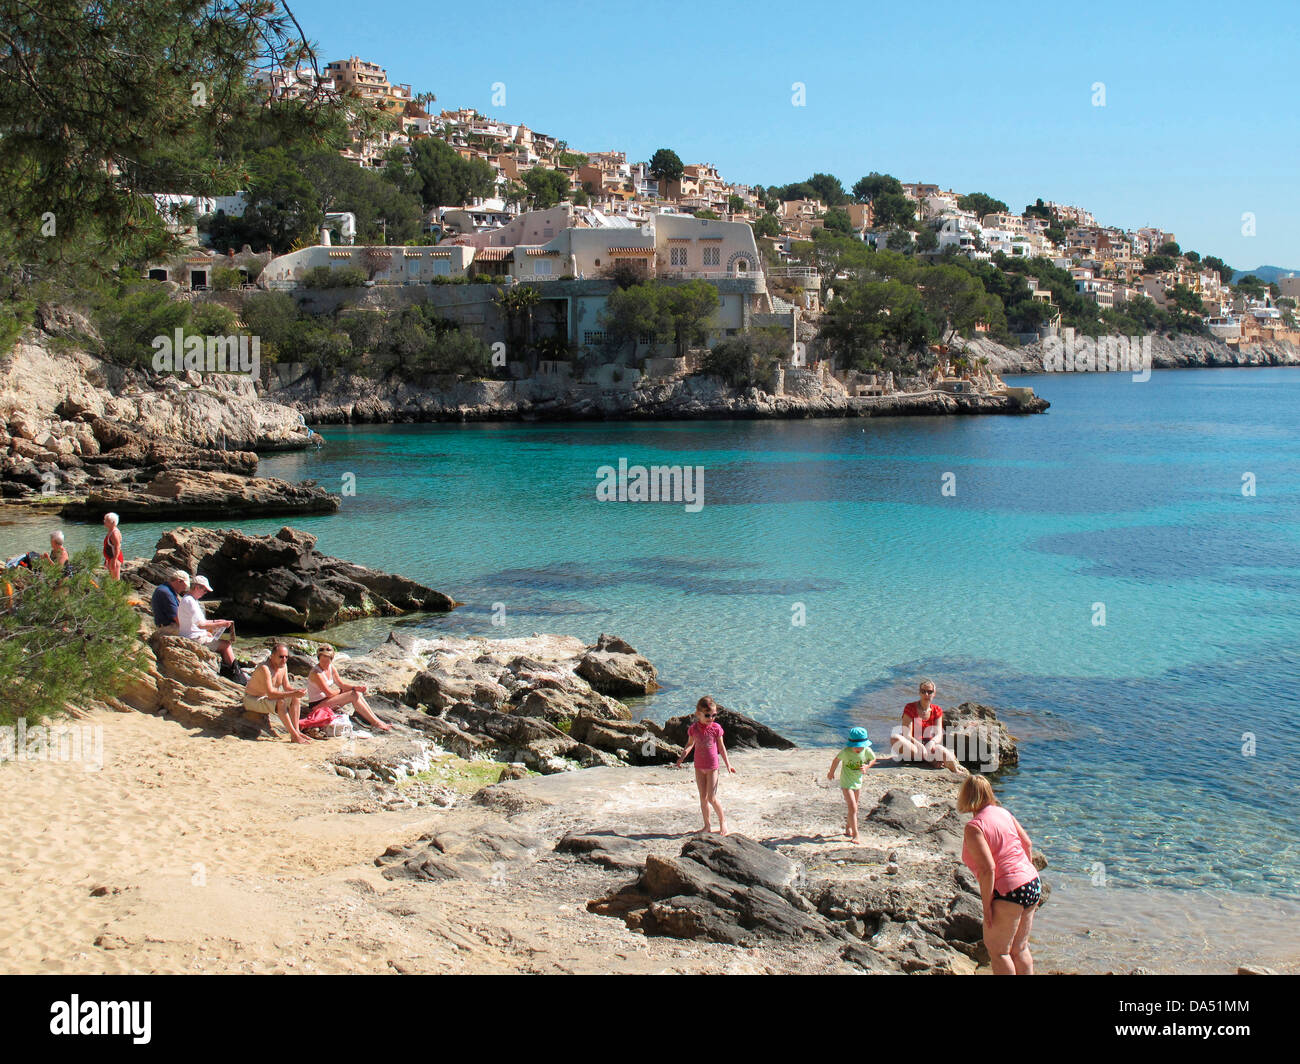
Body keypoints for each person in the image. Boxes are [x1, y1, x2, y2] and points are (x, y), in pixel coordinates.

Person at [959, 774, 1042, 975]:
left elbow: (988, 869)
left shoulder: (974, 827)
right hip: (1031, 881)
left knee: (999, 952)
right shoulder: (1003, 812)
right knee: (1020, 948)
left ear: (966, 796)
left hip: (1009, 890)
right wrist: (1023, 873)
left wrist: (987, 906)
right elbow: (1027, 844)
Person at [673, 696, 735, 835]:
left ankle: (722, 822)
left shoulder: (716, 728)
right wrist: (682, 757)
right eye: (707, 715)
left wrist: (728, 765)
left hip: (713, 767)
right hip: (699, 766)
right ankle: (707, 825)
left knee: (712, 798)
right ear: (698, 714)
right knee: (703, 797)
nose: (711, 718)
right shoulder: (693, 729)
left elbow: (721, 747)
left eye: (713, 715)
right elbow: (690, 744)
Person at [305, 646, 392, 733]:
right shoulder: (316, 673)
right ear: (318, 658)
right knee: (353, 695)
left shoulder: (331, 667)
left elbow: (341, 684)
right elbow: (329, 693)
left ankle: (377, 721)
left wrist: (355, 687)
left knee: (357, 693)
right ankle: (376, 723)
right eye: (322, 660)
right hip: (317, 706)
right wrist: (340, 691)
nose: (325, 663)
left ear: (331, 660)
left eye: (327, 661)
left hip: (326, 700)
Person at [890, 678, 967, 774]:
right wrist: (919, 745)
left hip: (929, 747)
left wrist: (932, 743)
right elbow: (907, 734)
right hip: (913, 748)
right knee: (895, 738)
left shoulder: (937, 710)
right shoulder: (910, 707)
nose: (926, 694)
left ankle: (955, 771)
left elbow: (939, 734)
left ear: (934, 693)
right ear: (919, 693)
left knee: (943, 751)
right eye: (923, 691)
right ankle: (929, 760)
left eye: (929, 692)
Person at [244, 644, 311, 743]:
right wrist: (293, 693)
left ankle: (296, 731)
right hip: (253, 699)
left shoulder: (283, 667)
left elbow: (287, 687)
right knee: (281, 702)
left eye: (286, 657)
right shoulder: (264, 668)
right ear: (272, 656)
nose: (284, 659)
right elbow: (271, 693)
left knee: (295, 698)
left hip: (266, 698)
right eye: (281, 656)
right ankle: (294, 736)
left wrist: (297, 692)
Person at [178, 575, 241, 677]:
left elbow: (201, 622)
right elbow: (202, 625)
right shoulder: (190, 602)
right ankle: (236, 674)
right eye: (204, 590)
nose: (205, 593)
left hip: (191, 635)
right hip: (193, 638)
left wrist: (217, 621)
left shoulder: (189, 600)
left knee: (218, 640)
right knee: (226, 645)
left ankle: (229, 670)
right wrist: (221, 624)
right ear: (197, 587)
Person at [827, 727, 877, 843]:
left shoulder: (866, 750)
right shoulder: (846, 752)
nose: (858, 749)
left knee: (854, 807)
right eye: (856, 746)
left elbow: (873, 759)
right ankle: (855, 834)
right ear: (850, 745)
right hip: (846, 782)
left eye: (861, 746)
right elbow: (836, 760)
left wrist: (867, 766)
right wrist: (831, 772)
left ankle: (848, 827)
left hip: (857, 782)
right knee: (853, 807)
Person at [150, 569, 189, 635]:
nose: (185, 588)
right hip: (168, 628)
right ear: (179, 581)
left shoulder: (165, 590)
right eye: (185, 585)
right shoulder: (167, 593)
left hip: (167, 626)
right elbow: (177, 618)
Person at [101, 513, 123, 580]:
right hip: (110, 558)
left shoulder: (114, 533)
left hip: (114, 558)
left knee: (115, 580)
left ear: (113, 522)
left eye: (106, 520)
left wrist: (114, 560)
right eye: (105, 520)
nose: (104, 522)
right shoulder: (110, 531)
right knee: (112, 579)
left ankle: (118, 590)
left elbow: (117, 547)